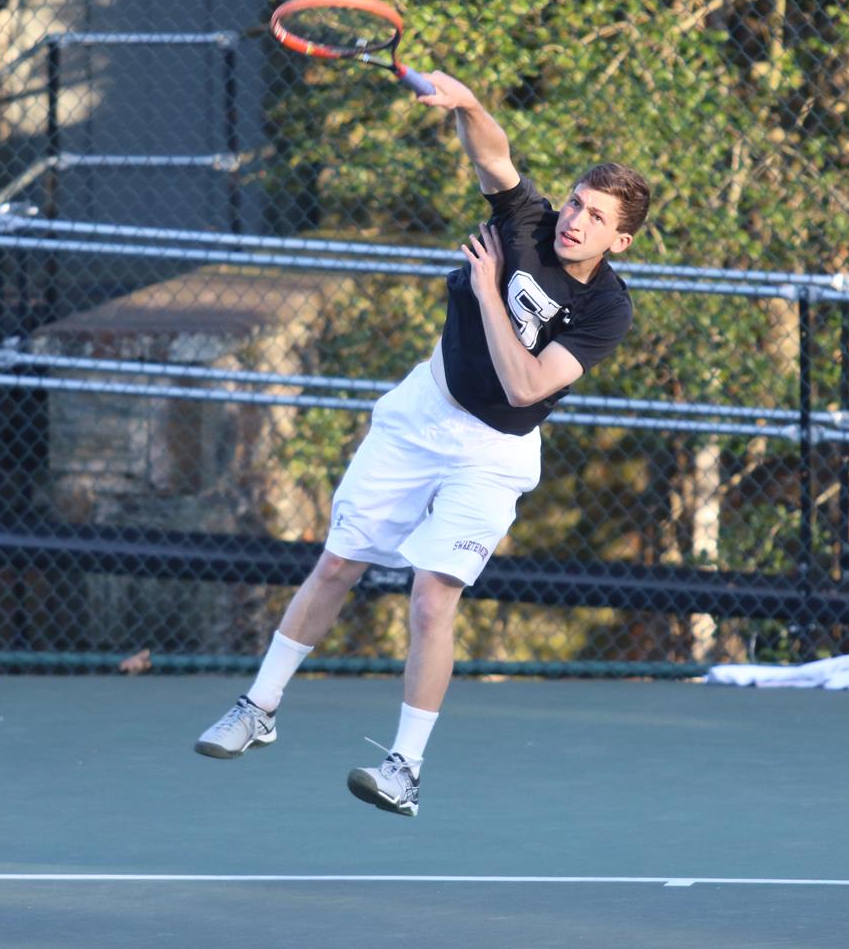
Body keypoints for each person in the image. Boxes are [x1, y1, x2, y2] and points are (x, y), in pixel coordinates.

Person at [194, 69, 650, 817]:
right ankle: (258, 708)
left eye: (595, 217)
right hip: (422, 413)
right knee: (338, 561)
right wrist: (469, 102)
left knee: (433, 598)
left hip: (495, 452)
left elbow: (528, 387)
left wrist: (485, 291)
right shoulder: (528, 222)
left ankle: (403, 768)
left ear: (618, 239)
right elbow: (496, 158)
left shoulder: (607, 309)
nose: (574, 219)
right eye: (575, 201)